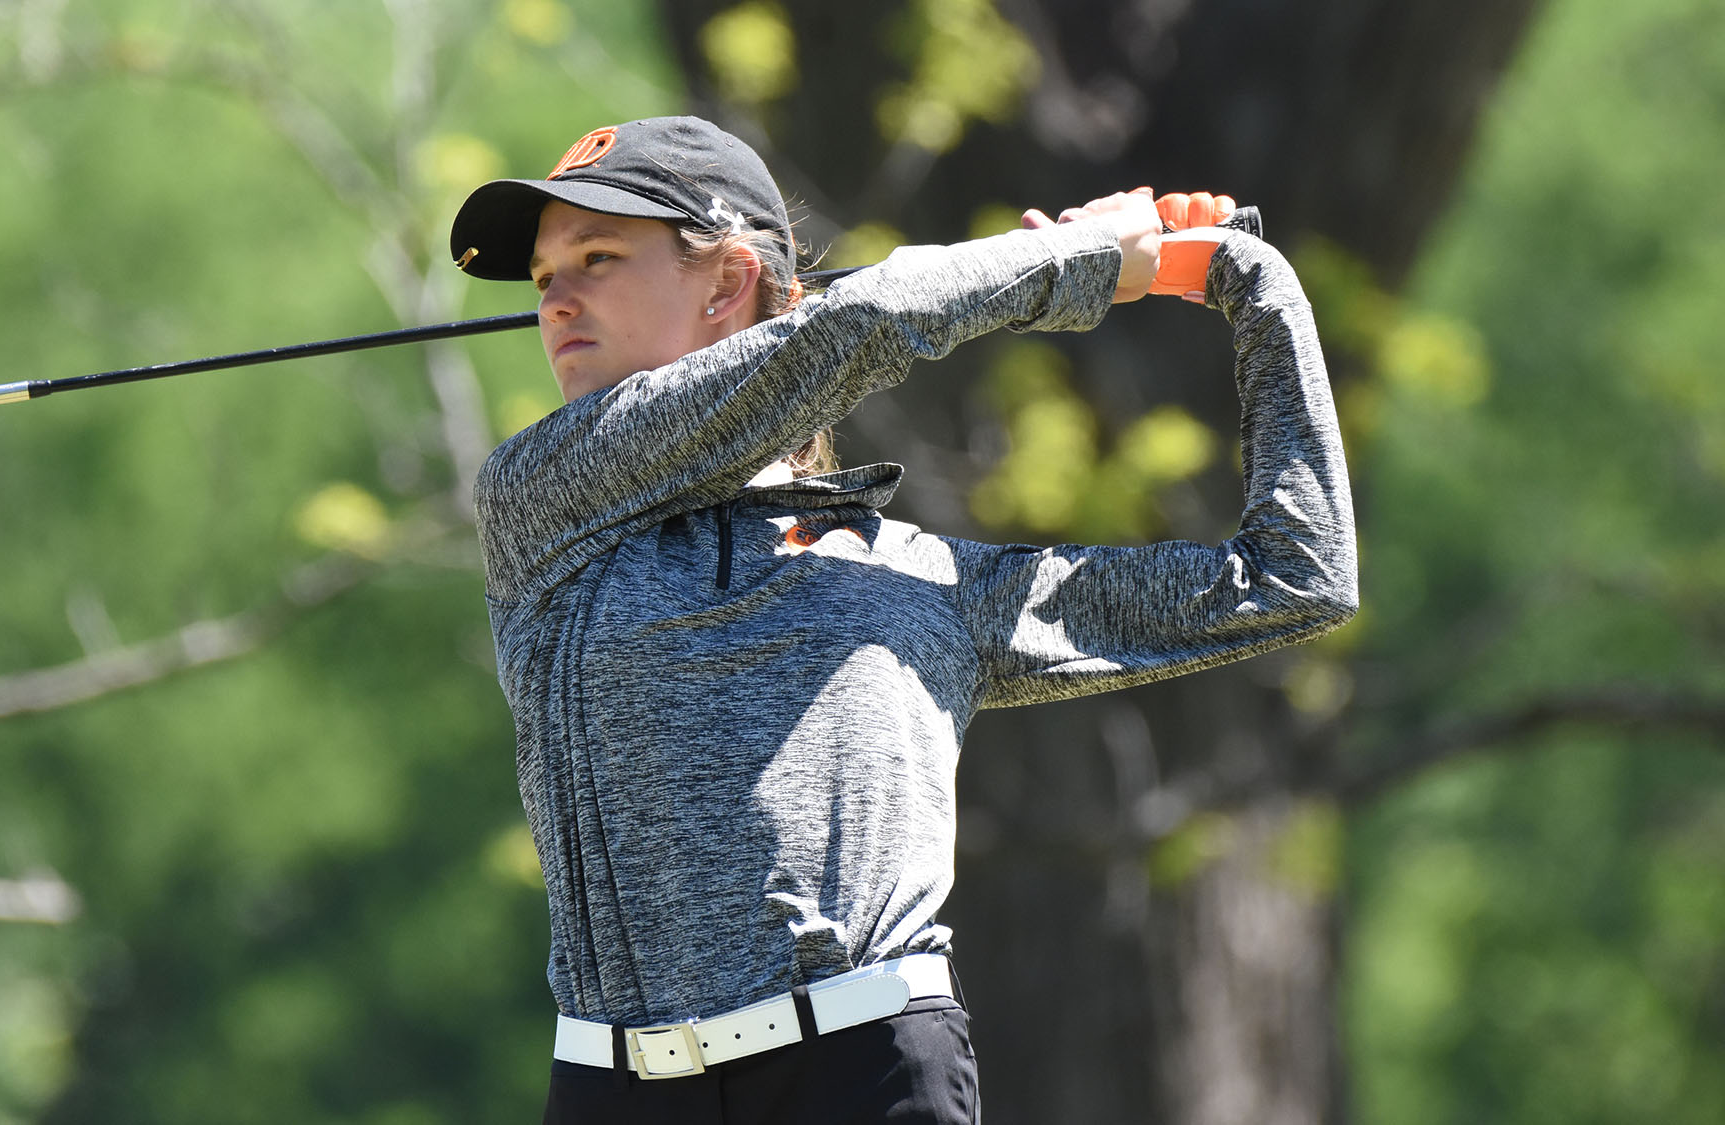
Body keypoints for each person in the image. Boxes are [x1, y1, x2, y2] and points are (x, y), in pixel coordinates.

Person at [448, 115, 1356, 1124]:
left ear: (723, 279)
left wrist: (1252, 288)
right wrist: (1074, 257)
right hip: (614, 1090)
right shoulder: (540, 501)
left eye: (597, 257)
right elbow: (862, 324)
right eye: (542, 278)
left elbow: (1289, 577)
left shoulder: (920, 584)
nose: (556, 300)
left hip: (866, 1075)